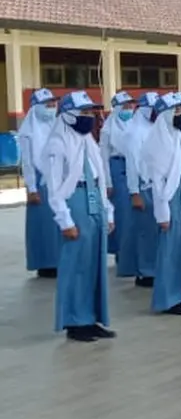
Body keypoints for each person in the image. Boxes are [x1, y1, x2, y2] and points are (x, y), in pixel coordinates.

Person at [45, 91, 114, 342]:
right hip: (75, 201)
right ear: (68, 115)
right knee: (77, 265)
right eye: (83, 112)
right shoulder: (57, 144)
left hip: (93, 198)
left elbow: (99, 177)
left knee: (94, 262)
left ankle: (92, 317)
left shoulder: (87, 141)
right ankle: (75, 321)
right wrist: (65, 220)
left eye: (90, 112)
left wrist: (108, 211)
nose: (88, 117)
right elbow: (54, 188)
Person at [145, 92, 181, 316]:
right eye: (177, 110)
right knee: (171, 250)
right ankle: (169, 298)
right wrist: (162, 213)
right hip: (170, 200)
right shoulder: (158, 142)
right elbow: (158, 182)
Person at [19, 88, 61, 278]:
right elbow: (27, 162)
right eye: (48, 104)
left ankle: (58, 260)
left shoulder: (56, 125)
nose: (52, 107)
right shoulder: (28, 132)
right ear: (36, 107)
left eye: (53, 103)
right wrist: (32, 188)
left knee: (58, 222)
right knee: (44, 225)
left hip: (58, 179)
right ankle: (45, 263)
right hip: (40, 181)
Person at [122, 92, 161, 287]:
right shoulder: (134, 132)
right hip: (143, 186)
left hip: (157, 185)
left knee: (155, 230)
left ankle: (154, 267)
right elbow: (132, 165)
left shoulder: (155, 128)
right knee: (146, 231)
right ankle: (145, 272)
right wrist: (134, 192)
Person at [99, 91, 136, 257]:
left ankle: (131, 249)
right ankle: (121, 250)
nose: (129, 109)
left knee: (134, 211)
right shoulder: (108, 129)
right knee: (122, 211)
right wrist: (107, 182)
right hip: (116, 168)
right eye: (126, 106)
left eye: (131, 106)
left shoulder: (134, 125)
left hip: (132, 167)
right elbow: (103, 157)